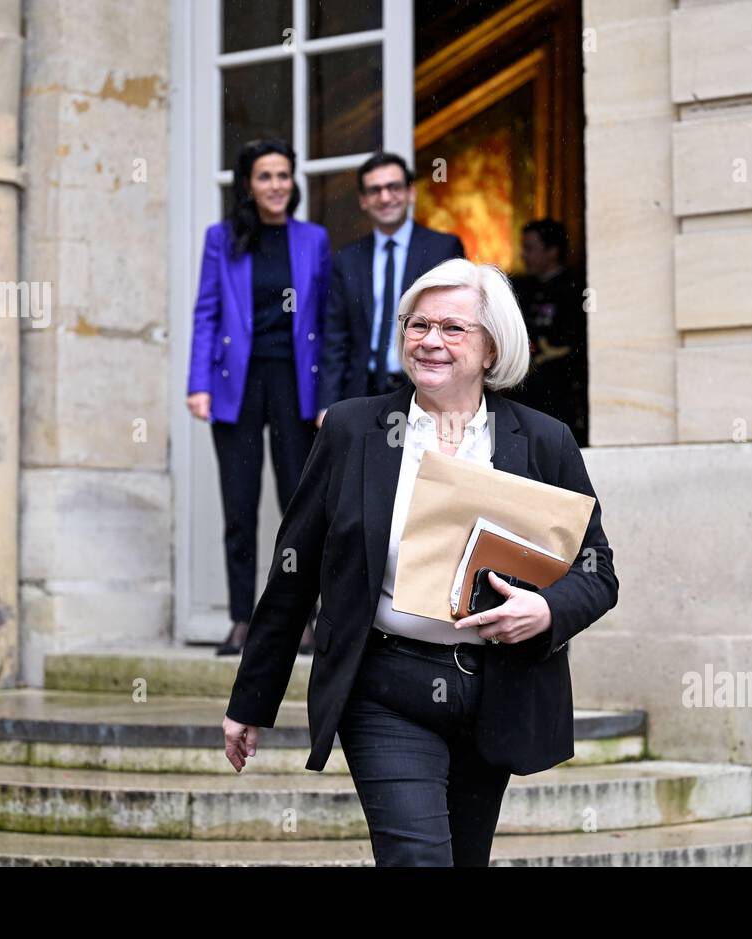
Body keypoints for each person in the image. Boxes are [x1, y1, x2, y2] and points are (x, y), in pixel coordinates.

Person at [221, 258, 619, 866]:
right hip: (384, 687)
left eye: (453, 328)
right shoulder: (352, 429)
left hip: (496, 693)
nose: (430, 340)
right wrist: (252, 700)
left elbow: (596, 570)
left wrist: (545, 611)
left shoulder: (543, 441)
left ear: (492, 349)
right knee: (417, 857)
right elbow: (293, 571)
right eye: (418, 324)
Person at [186, 138, 331, 657]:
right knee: (239, 507)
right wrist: (198, 383)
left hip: (296, 385)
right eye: (265, 176)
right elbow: (206, 312)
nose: (276, 185)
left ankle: (303, 620)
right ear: (248, 184)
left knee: (300, 506)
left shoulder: (314, 239)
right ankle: (242, 620)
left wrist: (327, 395)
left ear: (294, 182)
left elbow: (326, 318)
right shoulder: (222, 238)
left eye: (283, 175)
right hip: (237, 385)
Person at [315, 152, 464, 426]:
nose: (385, 197)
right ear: (363, 200)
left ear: (410, 192)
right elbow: (335, 336)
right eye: (375, 190)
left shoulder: (443, 248)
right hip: (362, 390)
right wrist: (327, 404)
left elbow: (458, 324)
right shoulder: (347, 259)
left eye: (393, 187)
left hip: (426, 386)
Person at [511, 219, 588, 446]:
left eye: (529, 248)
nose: (523, 255)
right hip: (525, 393)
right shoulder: (521, 289)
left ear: (552, 251)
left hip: (559, 394)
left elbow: (574, 345)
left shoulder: (575, 290)